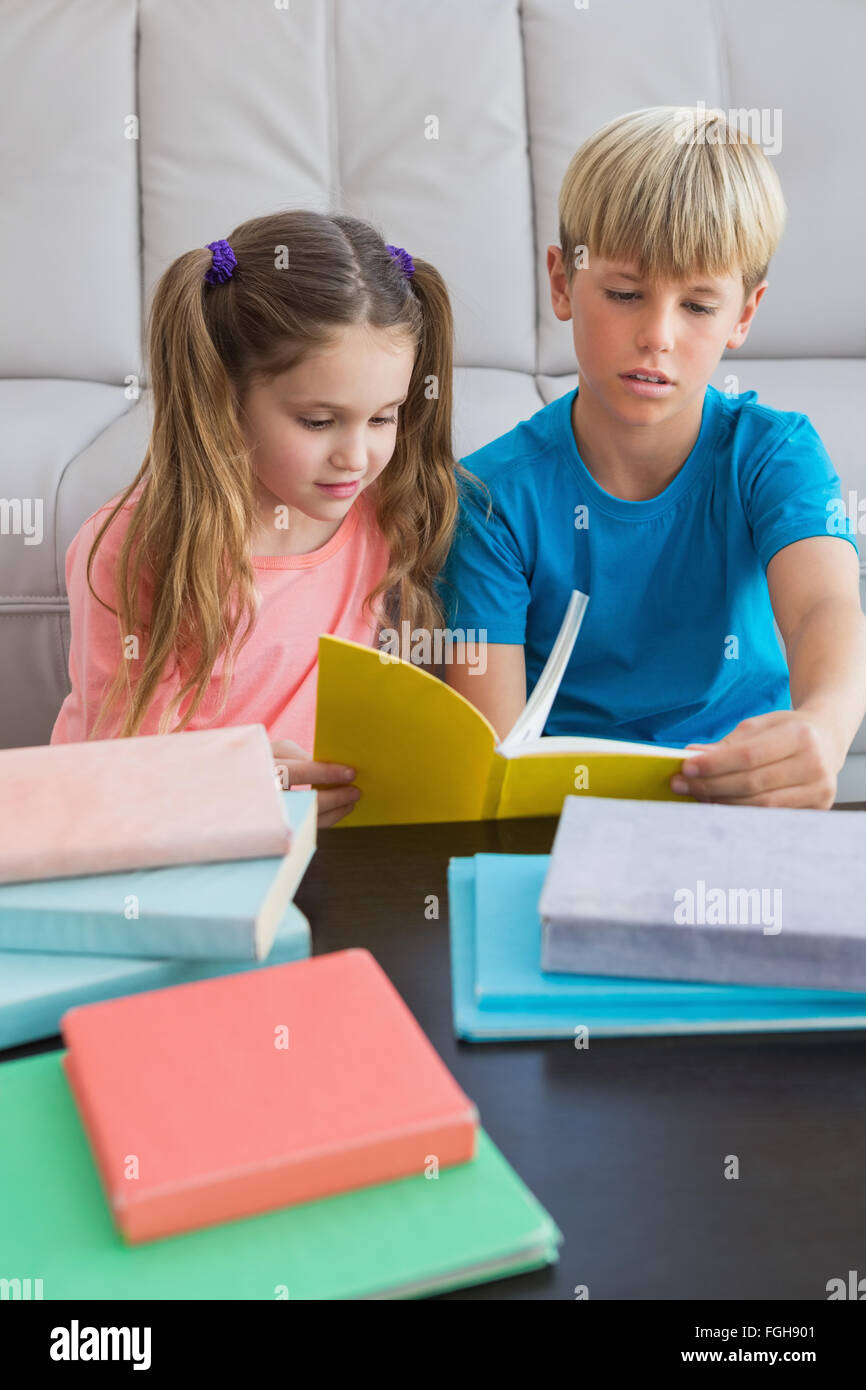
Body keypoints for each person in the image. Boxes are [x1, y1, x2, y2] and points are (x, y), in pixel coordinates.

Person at [440, 106, 866, 809]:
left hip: (746, 803)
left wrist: (823, 723)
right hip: (566, 818)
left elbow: (827, 605)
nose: (657, 335)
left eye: (698, 305)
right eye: (624, 294)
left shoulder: (773, 455)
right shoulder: (490, 498)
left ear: (745, 314)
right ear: (561, 283)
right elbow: (494, 760)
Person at [51, 211, 466, 826]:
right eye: (319, 421)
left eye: (383, 417)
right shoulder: (132, 547)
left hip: (318, 838)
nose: (357, 457)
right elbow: (119, 775)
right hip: (166, 838)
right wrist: (238, 787)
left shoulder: (386, 514)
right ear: (225, 396)